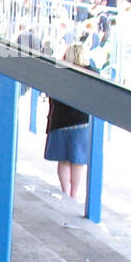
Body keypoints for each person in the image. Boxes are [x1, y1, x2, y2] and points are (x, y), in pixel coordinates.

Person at [43, 41, 93, 200]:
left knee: (63, 159)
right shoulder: (90, 74)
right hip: (81, 123)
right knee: (77, 161)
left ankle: (64, 191)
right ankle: (74, 194)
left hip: (59, 122)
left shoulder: (58, 71)